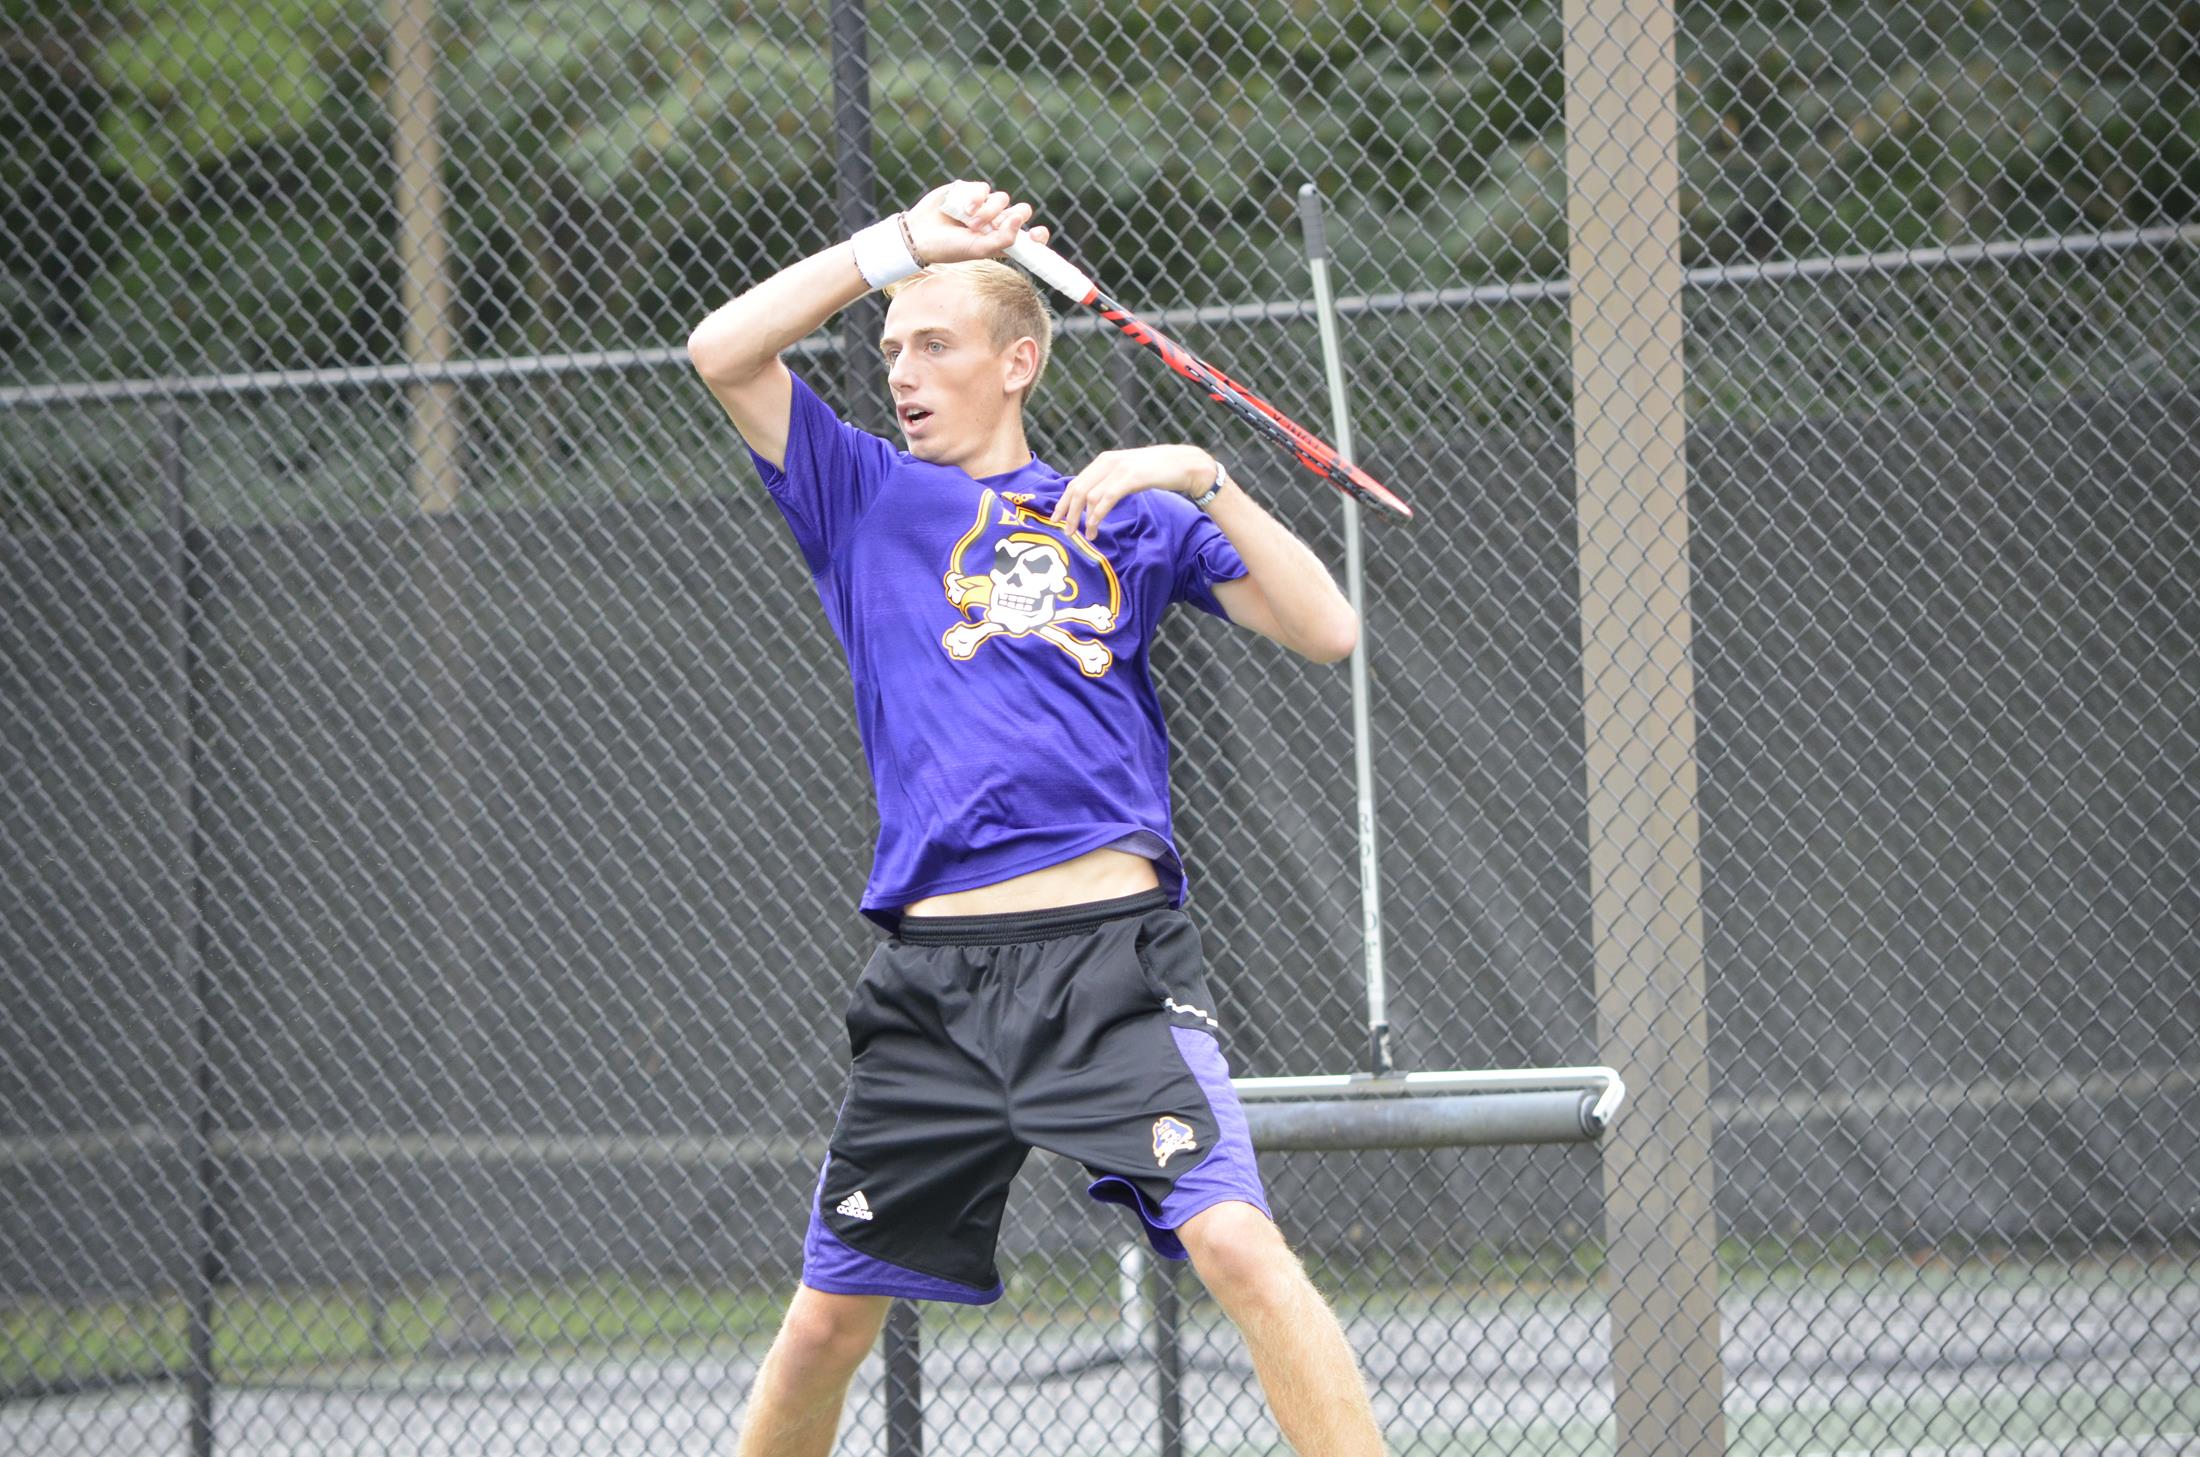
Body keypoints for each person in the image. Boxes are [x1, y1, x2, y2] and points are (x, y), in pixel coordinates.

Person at [686, 179, 1387, 1457]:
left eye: (933, 341)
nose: (901, 367)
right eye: (890, 347)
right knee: (822, 1327)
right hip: (935, 987)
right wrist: (900, 248)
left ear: (1018, 361)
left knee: (1237, 1240)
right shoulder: (858, 495)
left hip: (1109, 967)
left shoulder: (1130, 512)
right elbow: (720, 349)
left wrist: (1204, 475)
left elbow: (1327, 628)